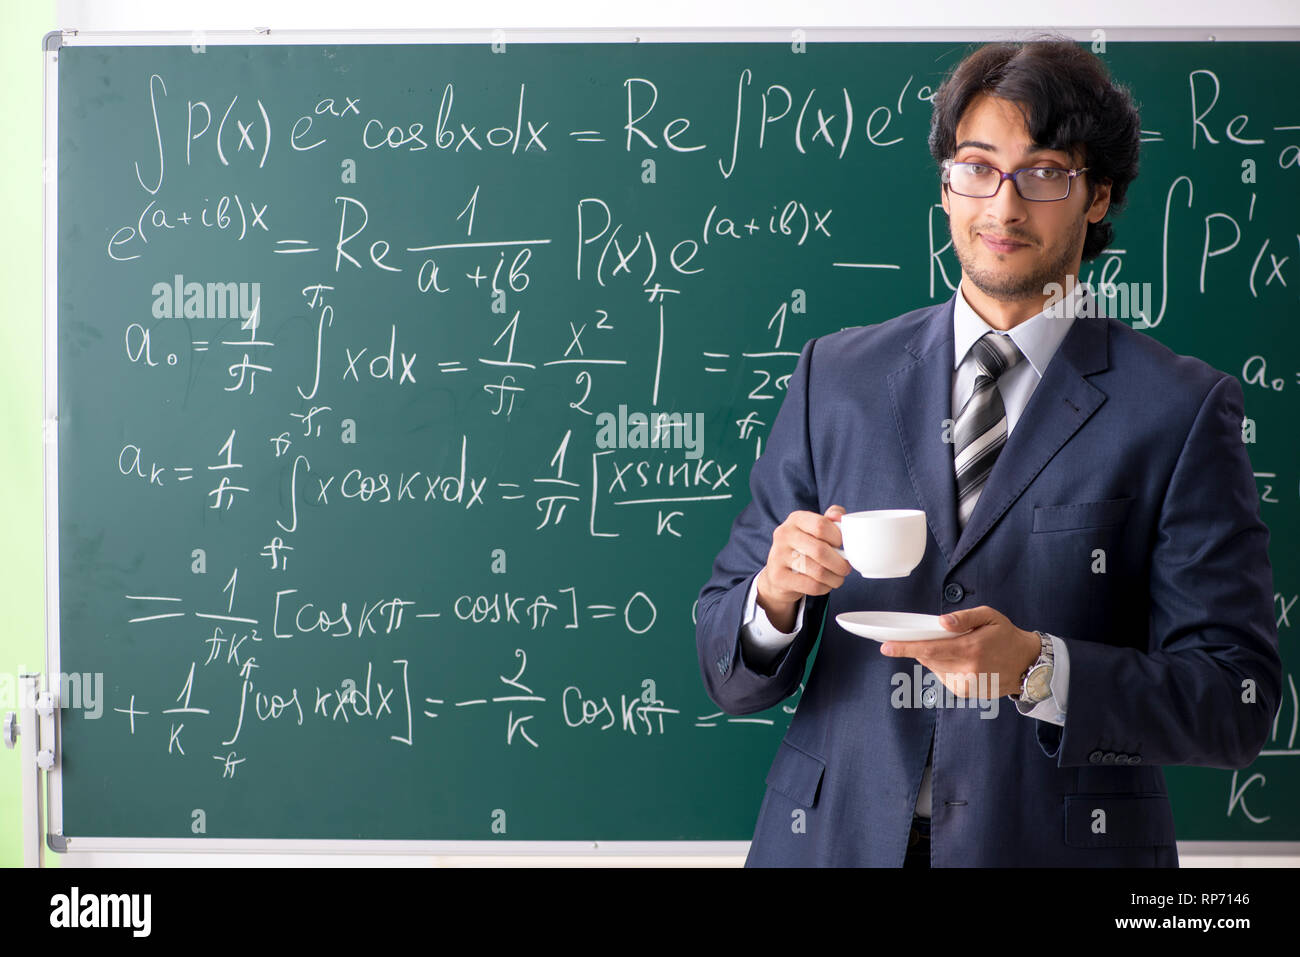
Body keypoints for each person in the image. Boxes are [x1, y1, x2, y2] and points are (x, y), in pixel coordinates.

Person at [694, 37, 1281, 867]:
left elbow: (1235, 701)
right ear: (945, 185)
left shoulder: (1182, 409)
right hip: (830, 841)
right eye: (977, 167)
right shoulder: (837, 376)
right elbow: (730, 669)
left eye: (1043, 172)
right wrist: (776, 597)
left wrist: (1040, 668)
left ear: (1098, 196)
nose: (1002, 207)